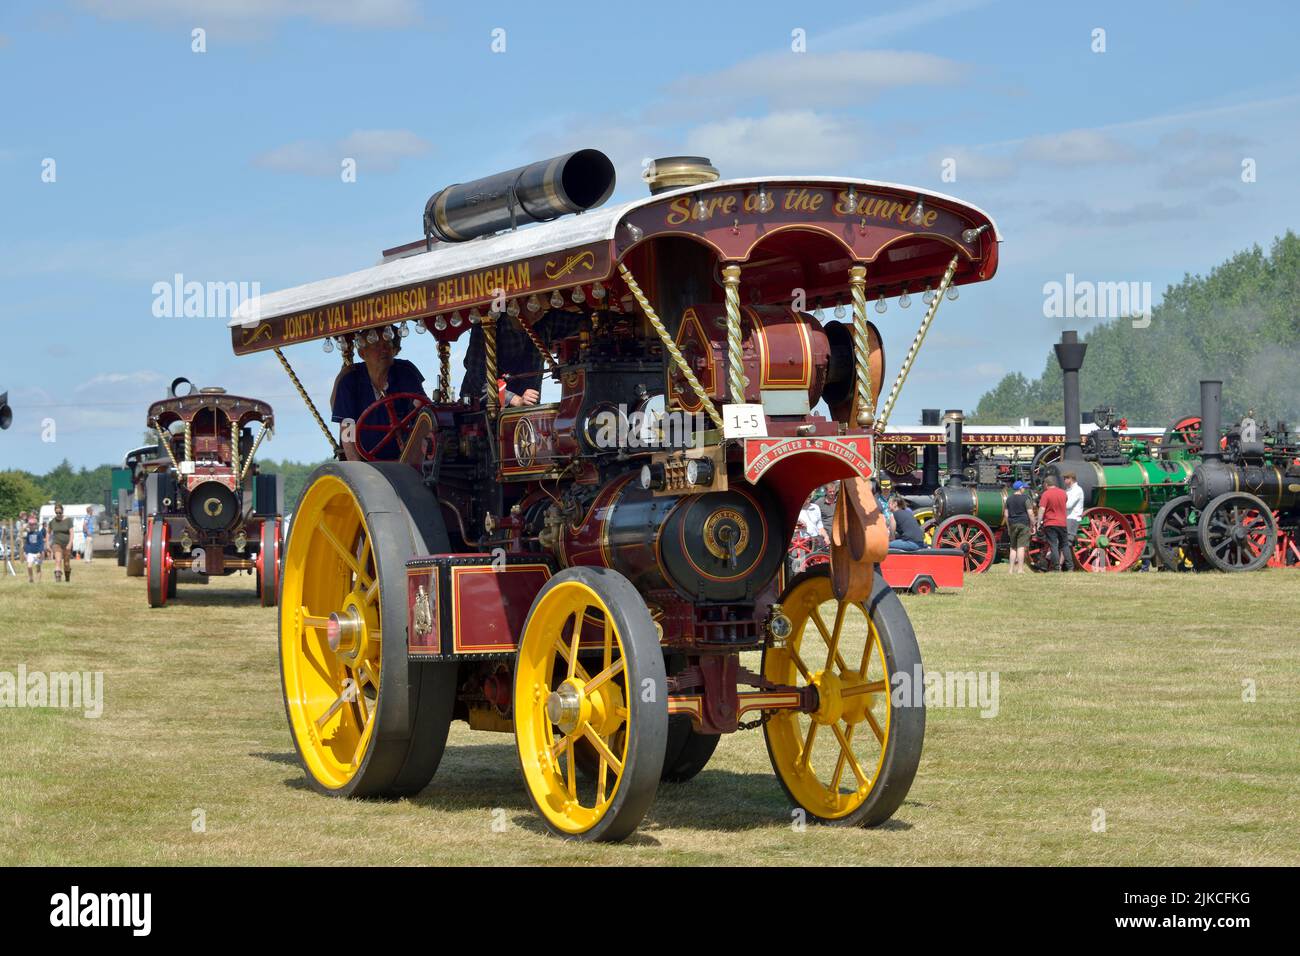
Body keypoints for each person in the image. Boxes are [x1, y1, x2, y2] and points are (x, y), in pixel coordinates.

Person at [330, 326, 428, 461]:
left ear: (394, 350)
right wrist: (358, 468)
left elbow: (422, 409)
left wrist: (415, 458)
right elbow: (347, 429)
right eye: (376, 345)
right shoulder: (350, 380)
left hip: (407, 459)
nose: (384, 350)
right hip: (366, 462)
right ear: (362, 354)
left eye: (388, 344)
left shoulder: (405, 371)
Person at [460, 308, 591, 408]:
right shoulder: (487, 322)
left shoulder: (543, 319)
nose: (537, 310)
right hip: (482, 414)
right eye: (529, 301)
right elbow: (478, 380)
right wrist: (516, 400)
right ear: (515, 302)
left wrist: (598, 320)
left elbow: (585, 323)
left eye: (540, 303)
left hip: (527, 413)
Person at [1037, 476, 1069, 571]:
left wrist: (1039, 522)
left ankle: (1056, 567)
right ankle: (1070, 566)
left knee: (1053, 545)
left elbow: (1042, 509)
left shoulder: (1046, 494)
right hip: (1063, 523)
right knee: (1065, 545)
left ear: (1046, 484)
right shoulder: (1064, 493)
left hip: (1051, 522)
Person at [1003, 480, 1035, 573]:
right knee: (1021, 547)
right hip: (1023, 524)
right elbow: (1030, 513)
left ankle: (1010, 570)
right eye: (1023, 488)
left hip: (1012, 524)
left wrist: (1008, 527)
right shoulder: (1025, 499)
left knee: (1013, 547)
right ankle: (1020, 569)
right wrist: (1033, 524)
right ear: (1020, 488)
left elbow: (1006, 515)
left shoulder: (1008, 499)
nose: (1024, 489)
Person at [47, 503, 75, 582]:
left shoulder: (68, 520)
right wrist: (47, 544)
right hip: (57, 543)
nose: (58, 514)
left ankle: (67, 579)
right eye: (57, 513)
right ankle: (58, 578)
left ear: (62, 511)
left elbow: (72, 533)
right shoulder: (52, 522)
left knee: (66, 564)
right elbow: (48, 533)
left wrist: (70, 543)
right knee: (58, 560)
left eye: (60, 512)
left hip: (67, 544)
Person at [1062, 471, 1084, 572]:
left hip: (1073, 517)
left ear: (1071, 479)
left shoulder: (1077, 490)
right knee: (1064, 542)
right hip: (1066, 517)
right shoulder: (1068, 490)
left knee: (1066, 543)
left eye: (1065, 478)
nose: (1064, 480)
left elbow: (1068, 505)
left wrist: (1058, 504)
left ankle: (1062, 565)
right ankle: (1059, 565)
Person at [23, 515, 45, 584]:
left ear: (36, 525)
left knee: (38, 567)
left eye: (33, 525)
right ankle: (31, 578)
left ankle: (38, 582)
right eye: (30, 525)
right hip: (30, 553)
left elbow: (41, 543)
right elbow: (27, 543)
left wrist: (40, 552)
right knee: (29, 566)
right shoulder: (28, 534)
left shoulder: (39, 533)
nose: (31, 526)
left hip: (38, 553)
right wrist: (25, 552)